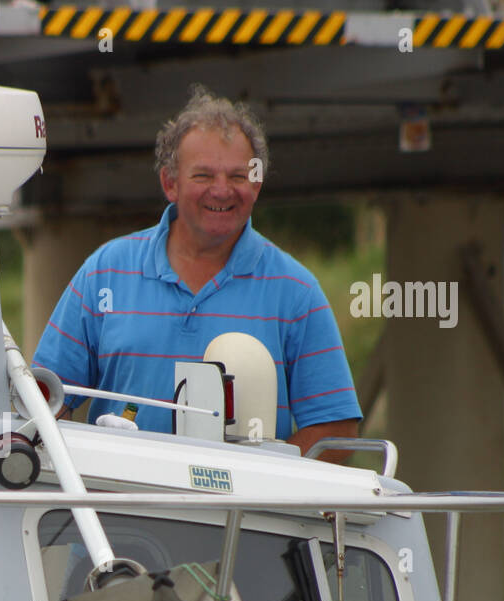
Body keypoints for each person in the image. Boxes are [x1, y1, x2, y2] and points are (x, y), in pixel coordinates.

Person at [31, 85, 361, 459]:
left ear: (257, 183)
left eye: (238, 176)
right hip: (116, 512)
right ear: (170, 183)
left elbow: (335, 427)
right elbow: (44, 399)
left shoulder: (296, 290)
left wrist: (263, 486)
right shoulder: (103, 273)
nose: (222, 191)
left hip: (243, 518)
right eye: (203, 176)